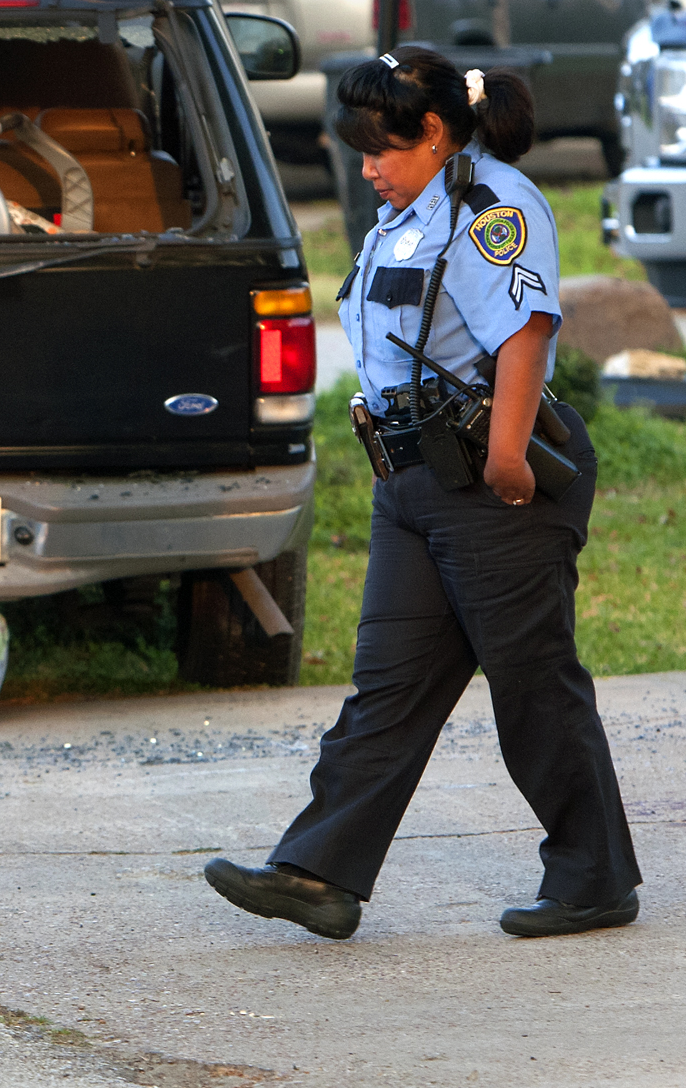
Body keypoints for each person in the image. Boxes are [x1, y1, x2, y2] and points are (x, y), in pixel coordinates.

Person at [205, 46, 640, 940]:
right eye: (359, 149)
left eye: (380, 148)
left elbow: (525, 332)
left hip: (490, 476)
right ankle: (319, 872)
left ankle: (594, 877)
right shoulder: (399, 215)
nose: (365, 167)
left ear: (434, 133)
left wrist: (509, 459)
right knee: (387, 685)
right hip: (409, 480)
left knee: (531, 684)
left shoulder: (492, 204)